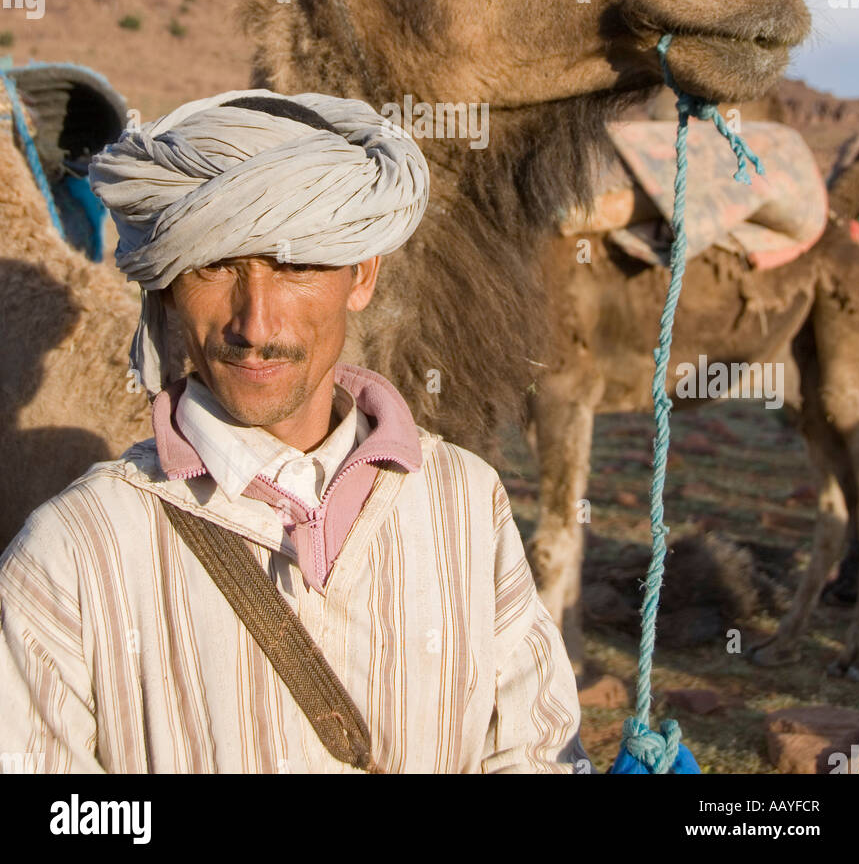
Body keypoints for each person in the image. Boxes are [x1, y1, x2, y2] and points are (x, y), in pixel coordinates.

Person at [0, 88, 590, 774]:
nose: (256, 325)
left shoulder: (466, 503)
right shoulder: (72, 552)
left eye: (297, 266)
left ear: (362, 274)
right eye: (214, 266)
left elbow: (537, 755)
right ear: (164, 285)